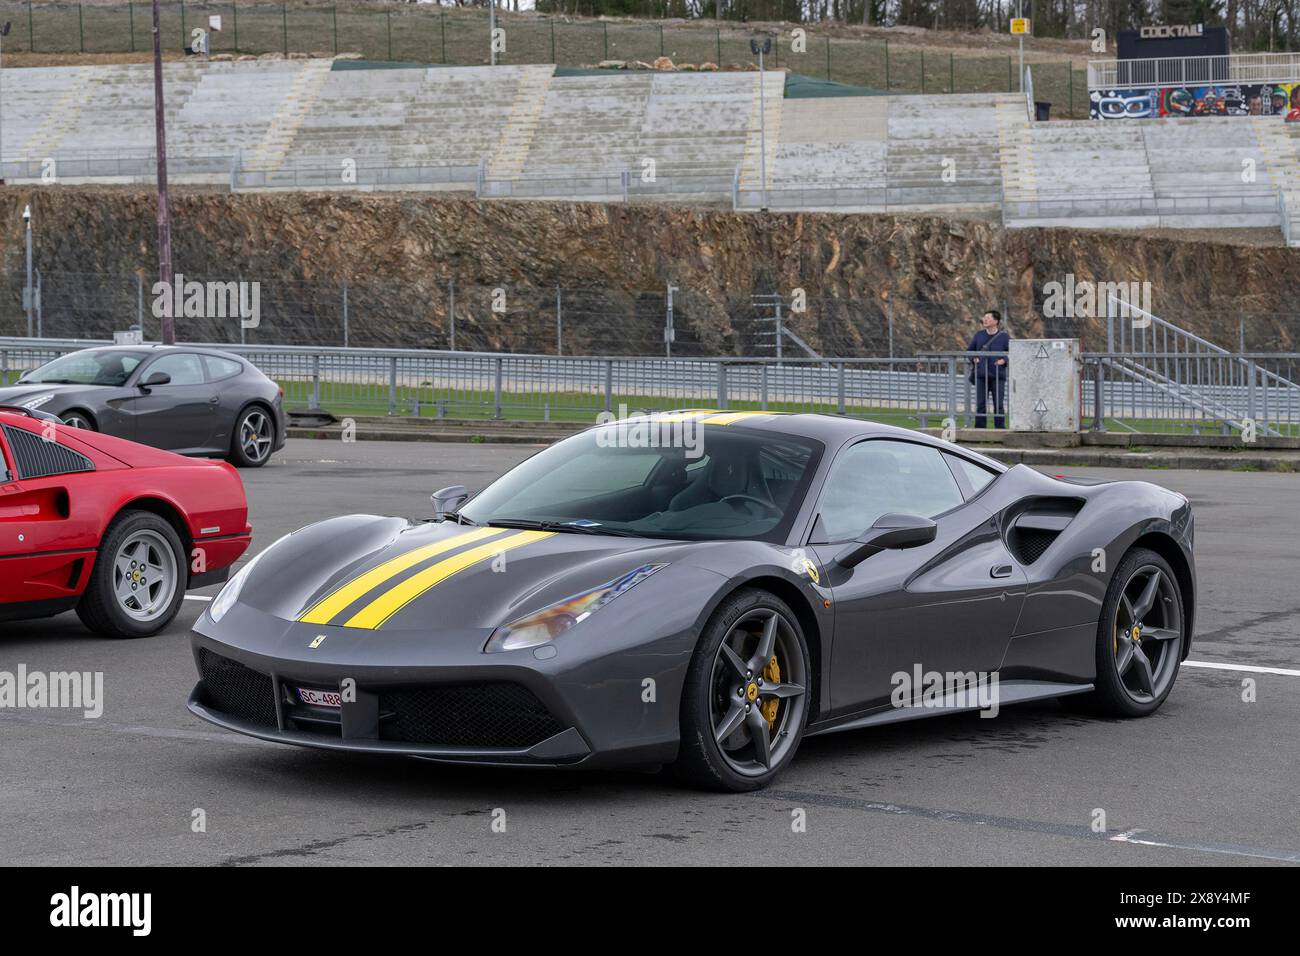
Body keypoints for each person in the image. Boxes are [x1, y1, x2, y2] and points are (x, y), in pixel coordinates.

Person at [967, 310, 1009, 429]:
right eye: (984, 317)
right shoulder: (979, 335)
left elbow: (1012, 352)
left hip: (998, 375)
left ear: (996, 321)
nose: (984, 320)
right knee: (981, 404)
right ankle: (980, 428)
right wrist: (974, 358)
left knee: (998, 404)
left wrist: (1004, 360)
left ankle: (1000, 428)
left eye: (988, 318)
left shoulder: (1004, 337)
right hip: (981, 375)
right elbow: (969, 351)